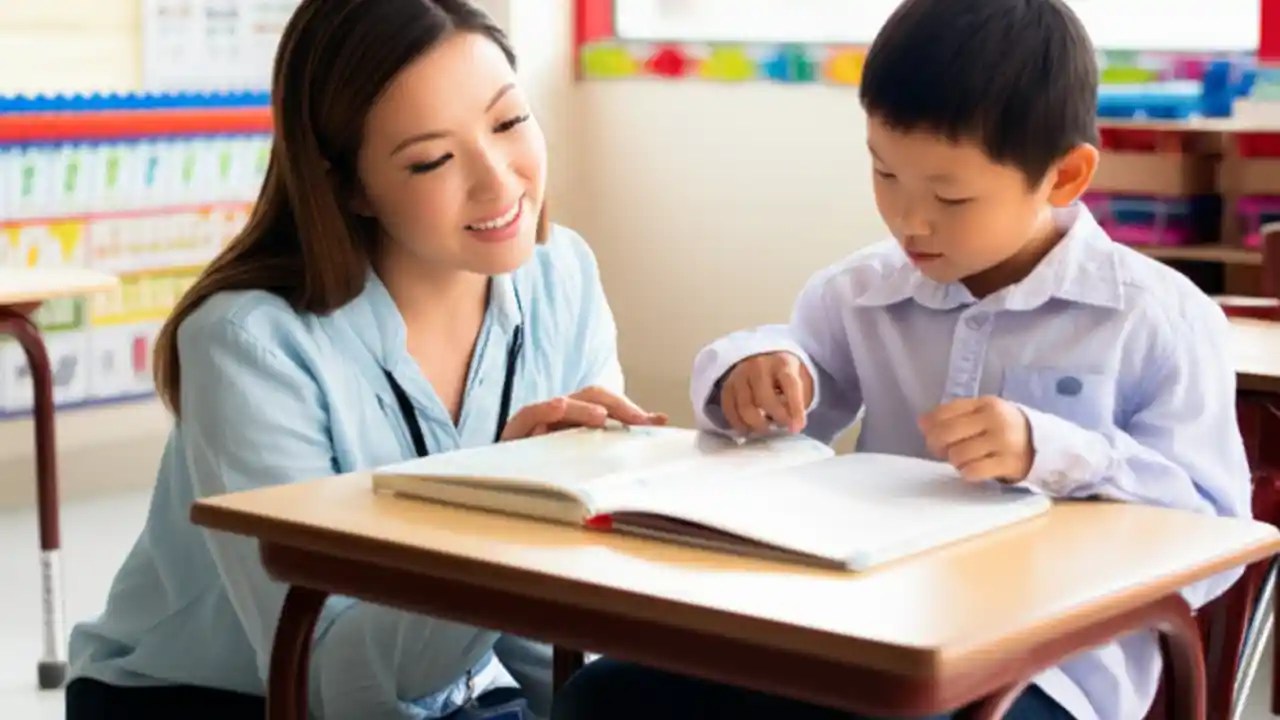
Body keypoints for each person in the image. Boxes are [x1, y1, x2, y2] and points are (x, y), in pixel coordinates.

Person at [551, 0, 1251, 719]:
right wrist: (751, 373)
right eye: (885, 175)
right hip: (858, 631)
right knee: (605, 698)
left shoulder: (1156, 318)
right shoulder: (862, 293)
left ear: (1064, 177)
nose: (910, 221)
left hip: (1045, 670)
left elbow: (1216, 541)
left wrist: (1053, 452)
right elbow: (783, 424)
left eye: (950, 195)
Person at [64, 1, 667, 718]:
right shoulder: (248, 342)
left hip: (448, 691)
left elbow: (550, 618)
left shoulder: (561, 273)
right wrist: (504, 515)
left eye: (508, 121)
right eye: (431, 160)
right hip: (220, 696)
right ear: (349, 185)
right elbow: (324, 677)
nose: (498, 182)